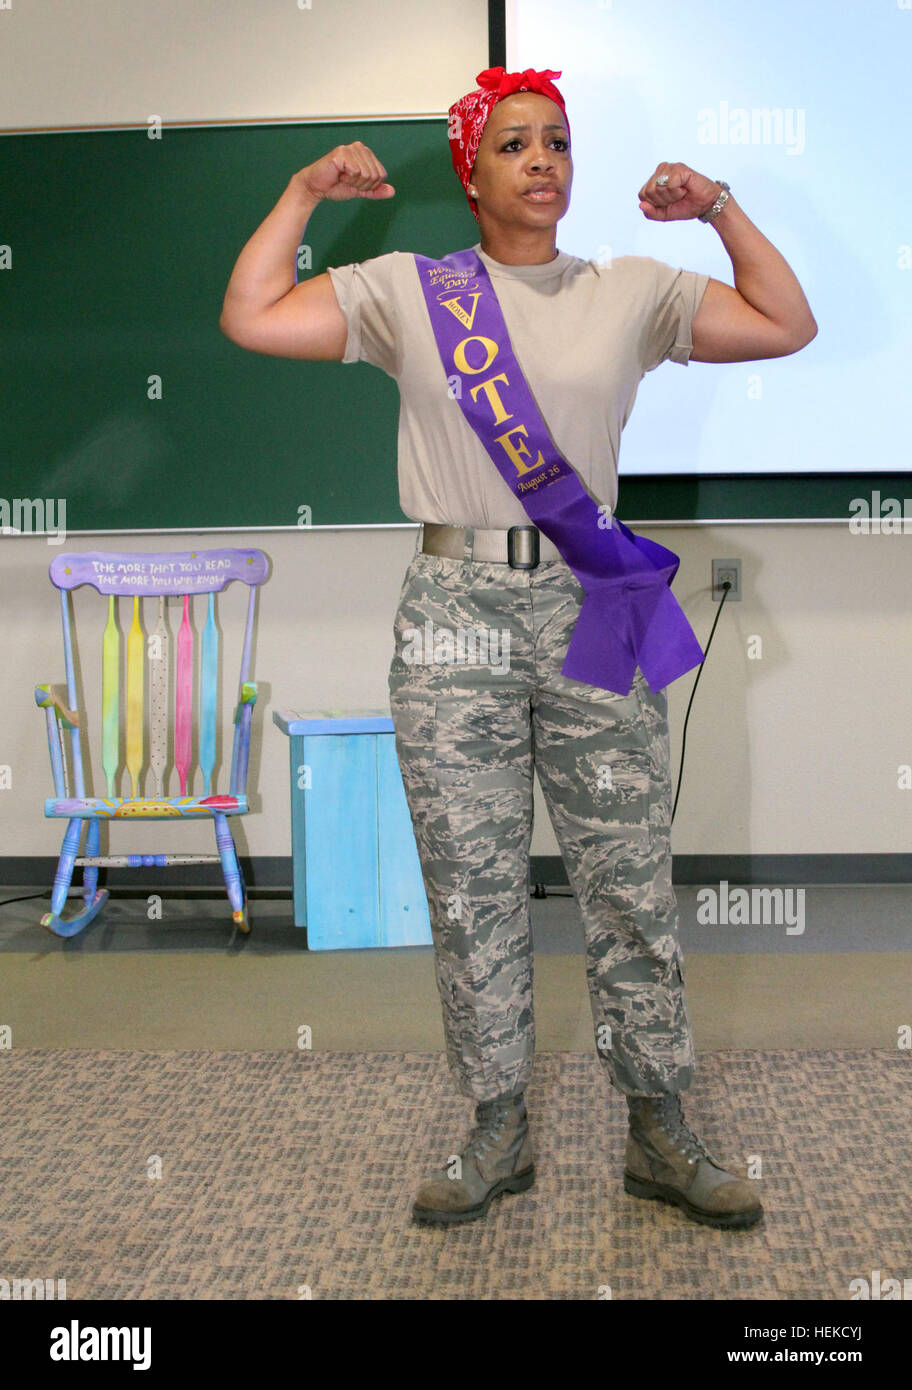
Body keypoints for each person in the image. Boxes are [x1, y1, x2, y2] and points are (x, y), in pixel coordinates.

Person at [219, 66, 817, 1233]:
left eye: (557, 142)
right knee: (473, 886)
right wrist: (301, 191)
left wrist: (719, 206)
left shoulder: (631, 290)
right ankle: (497, 1123)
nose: (542, 161)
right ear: (471, 171)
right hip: (453, 608)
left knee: (629, 881)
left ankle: (659, 1125)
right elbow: (249, 313)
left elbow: (787, 322)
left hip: (591, 609)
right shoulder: (409, 291)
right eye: (514, 145)